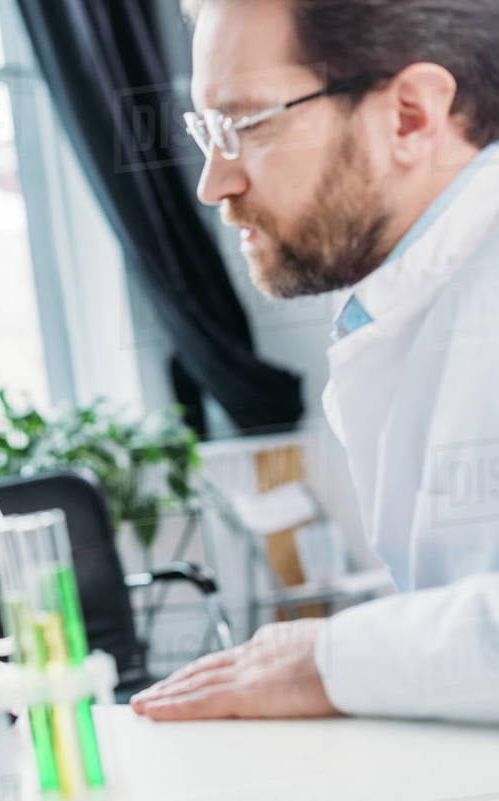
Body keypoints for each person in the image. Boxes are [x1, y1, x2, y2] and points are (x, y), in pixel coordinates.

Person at [131, 0, 499, 722]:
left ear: (411, 116)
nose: (214, 183)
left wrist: (326, 661)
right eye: (205, 130)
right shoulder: (409, 296)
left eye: (245, 124)